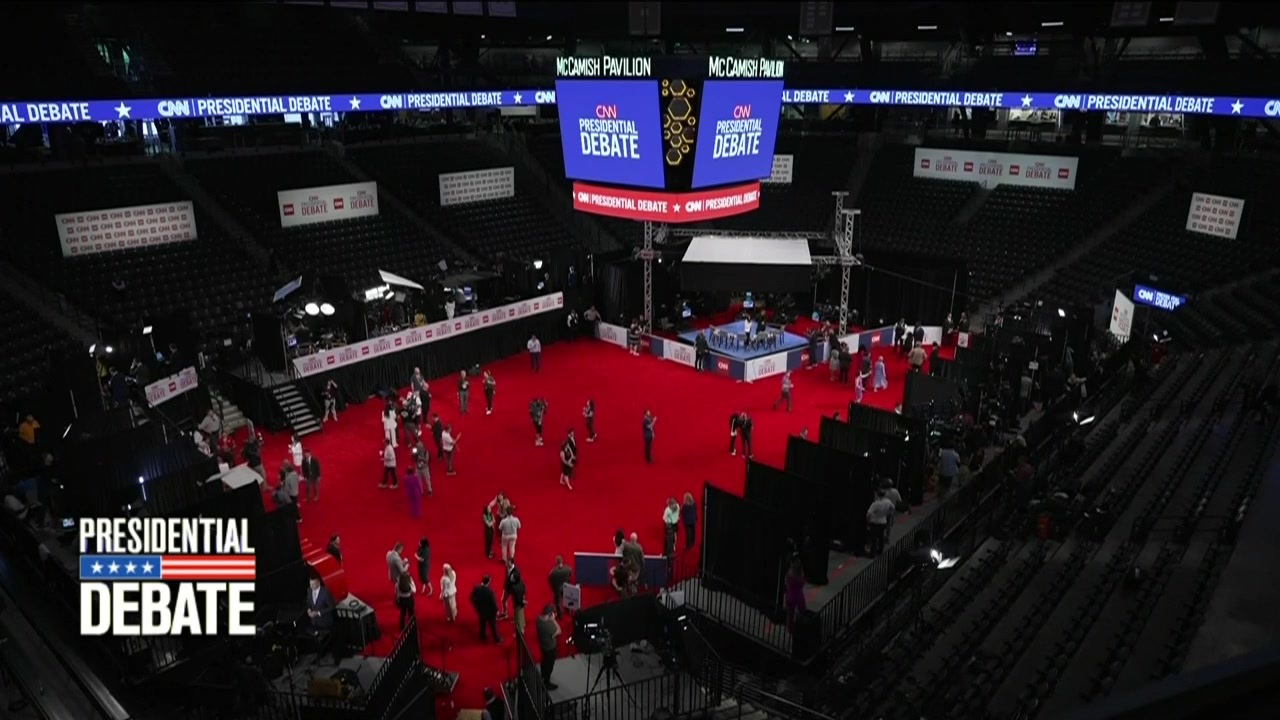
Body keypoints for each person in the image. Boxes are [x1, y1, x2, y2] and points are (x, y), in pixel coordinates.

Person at [536, 604, 561, 689]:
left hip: (543, 646)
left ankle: (543, 676)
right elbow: (559, 631)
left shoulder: (538, 619)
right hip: (550, 648)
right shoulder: (549, 626)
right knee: (549, 665)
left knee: (544, 662)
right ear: (550, 614)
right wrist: (554, 620)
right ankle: (546, 682)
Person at [470, 575, 501, 643]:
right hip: (489, 612)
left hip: (480, 611)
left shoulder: (476, 588)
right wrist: (497, 611)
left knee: (482, 624)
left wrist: (476, 606)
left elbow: (472, 598)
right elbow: (493, 603)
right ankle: (497, 639)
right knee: (493, 625)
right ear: (489, 582)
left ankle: (482, 637)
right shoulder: (490, 592)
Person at [866, 490, 896, 556]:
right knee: (881, 537)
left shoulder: (875, 504)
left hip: (874, 522)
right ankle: (880, 551)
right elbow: (893, 508)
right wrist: (888, 513)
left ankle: (872, 553)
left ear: (877, 495)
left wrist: (868, 522)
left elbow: (868, 514)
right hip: (883, 522)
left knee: (873, 538)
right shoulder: (888, 501)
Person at [784, 558, 806, 631]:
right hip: (799, 596)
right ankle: (800, 625)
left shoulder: (789, 577)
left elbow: (786, 583)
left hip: (790, 596)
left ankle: (790, 628)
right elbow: (803, 583)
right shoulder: (800, 579)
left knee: (790, 614)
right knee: (802, 610)